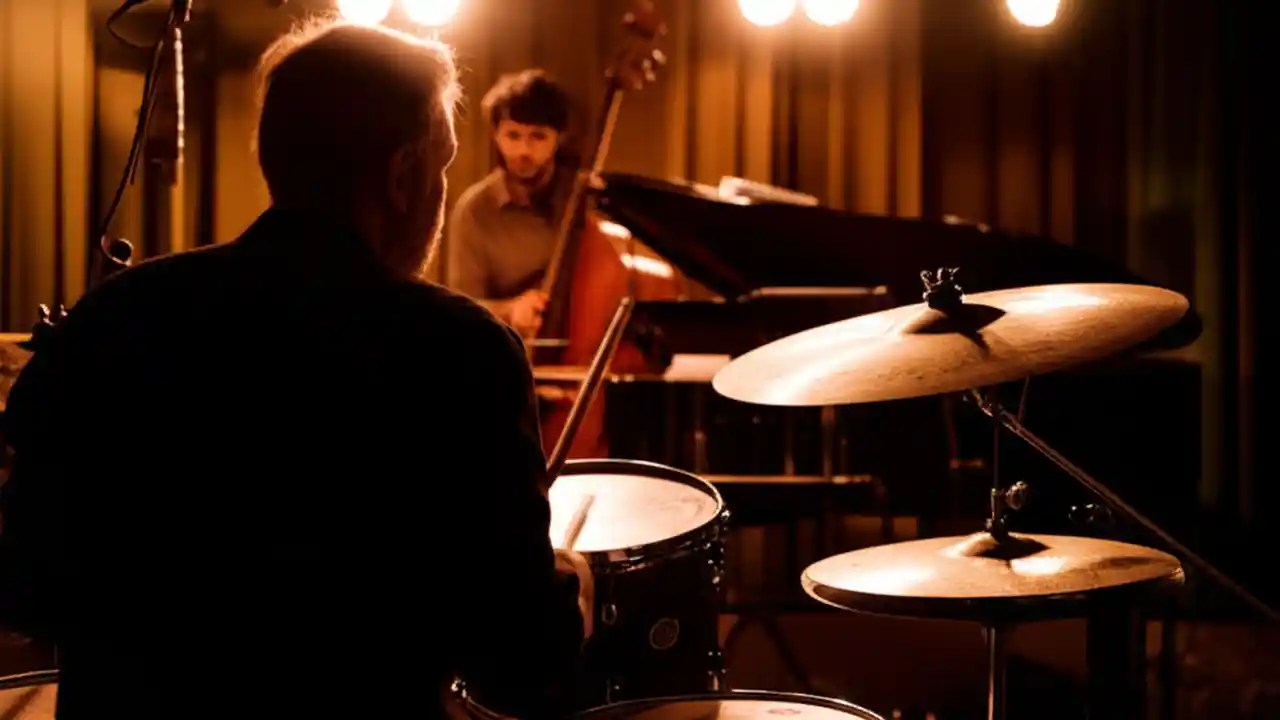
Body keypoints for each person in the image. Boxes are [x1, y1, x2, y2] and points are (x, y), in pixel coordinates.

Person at [0, 19, 592, 720]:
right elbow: (520, 666)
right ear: (403, 177)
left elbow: (26, 583)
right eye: (440, 166)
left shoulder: (113, 316)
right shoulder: (459, 351)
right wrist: (571, 591)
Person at [444, 69, 576, 339]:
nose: (524, 151)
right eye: (513, 136)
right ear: (495, 134)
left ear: (559, 138)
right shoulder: (475, 211)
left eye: (538, 137)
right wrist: (511, 310)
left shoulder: (584, 200)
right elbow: (462, 309)